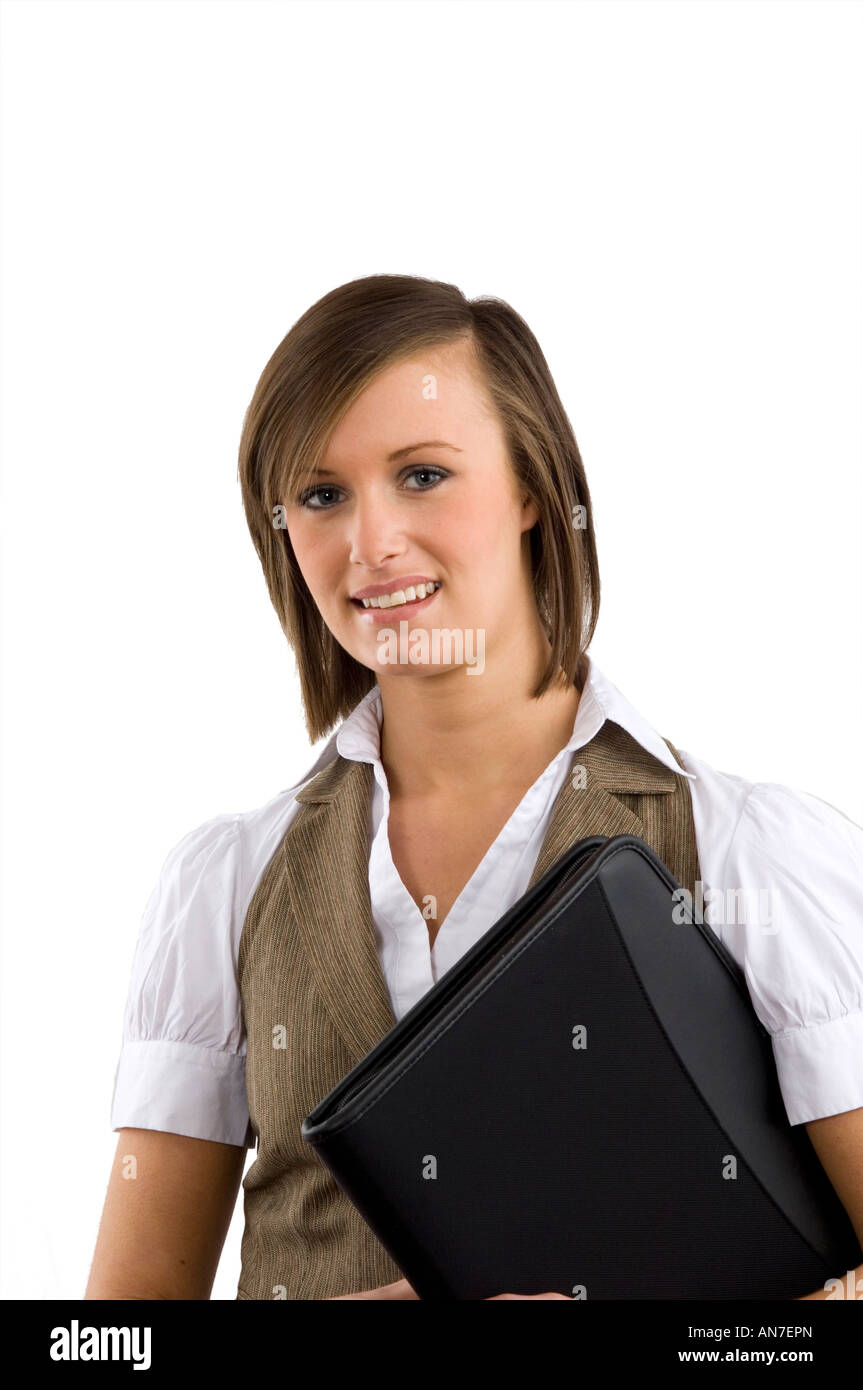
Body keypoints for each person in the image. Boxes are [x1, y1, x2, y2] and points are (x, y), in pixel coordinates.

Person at [85, 274, 863, 1301]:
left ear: (534, 486)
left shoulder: (751, 852)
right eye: (321, 495)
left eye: (420, 474)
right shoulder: (225, 882)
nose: (369, 543)